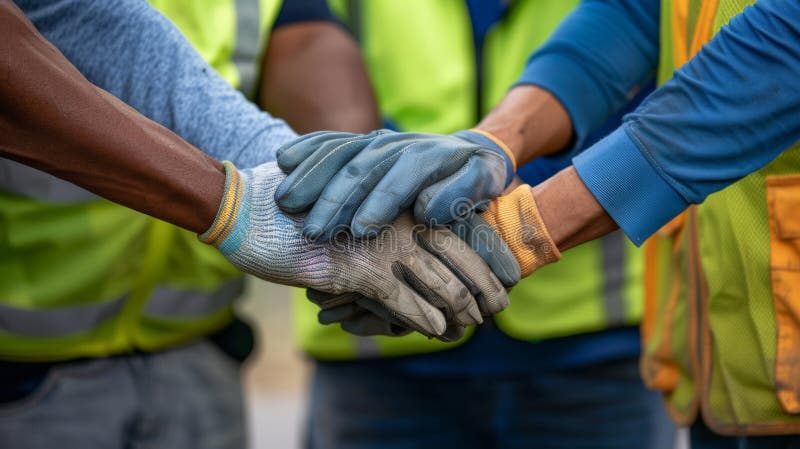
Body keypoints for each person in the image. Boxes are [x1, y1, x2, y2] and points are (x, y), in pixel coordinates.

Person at [276, 0, 800, 447]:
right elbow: (641, 11)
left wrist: (519, 228)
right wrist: (495, 142)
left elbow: (780, 49)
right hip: (735, 363)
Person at [0, 1, 509, 447]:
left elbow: (296, 28)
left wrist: (348, 195)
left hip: (197, 347)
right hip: (21, 363)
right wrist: (239, 206)